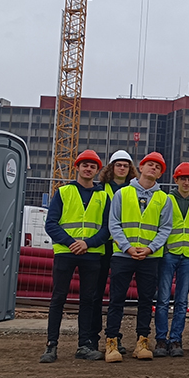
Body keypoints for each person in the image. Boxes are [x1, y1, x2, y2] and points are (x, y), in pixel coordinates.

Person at [40, 150, 110, 363]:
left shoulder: (103, 196)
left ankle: (84, 345)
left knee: (88, 300)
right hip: (66, 252)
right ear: (77, 168)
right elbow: (51, 223)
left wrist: (87, 243)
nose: (88, 169)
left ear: (97, 171)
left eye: (92, 166)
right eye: (85, 165)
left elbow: (108, 228)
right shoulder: (63, 192)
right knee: (58, 298)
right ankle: (51, 346)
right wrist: (71, 242)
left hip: (92, 253)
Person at [104, 152, 173, 363]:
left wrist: (150, 248)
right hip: (123, 255)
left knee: (146, 300)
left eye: (158, 167)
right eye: (150, 165)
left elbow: (165, 228)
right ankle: (111, 341)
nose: (153, 168)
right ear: (141, 167)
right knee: (117, 300)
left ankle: (142, 341)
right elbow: (113, 223)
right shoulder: (123, 194)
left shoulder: (164, 199)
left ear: (161, 173)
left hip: (150, 258)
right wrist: (127, 247)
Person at [154, 162, 189, 358]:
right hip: (170, 253)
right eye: (183, 179)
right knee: (163, 299)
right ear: (176, 180)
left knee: (182, 301)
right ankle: (160, 339)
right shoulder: (167, 200)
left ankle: (176, 339)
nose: (187, 182)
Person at [95, 149, 137, 355]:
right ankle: (96, 337)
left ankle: (115, 336)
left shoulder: (135, 190)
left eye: (126, 165)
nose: (122, 168)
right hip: (104, 247)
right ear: (111, 168)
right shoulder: (101, 190)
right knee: (98, 295)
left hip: (124, 249)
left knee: (118, 296)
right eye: (118, 164)